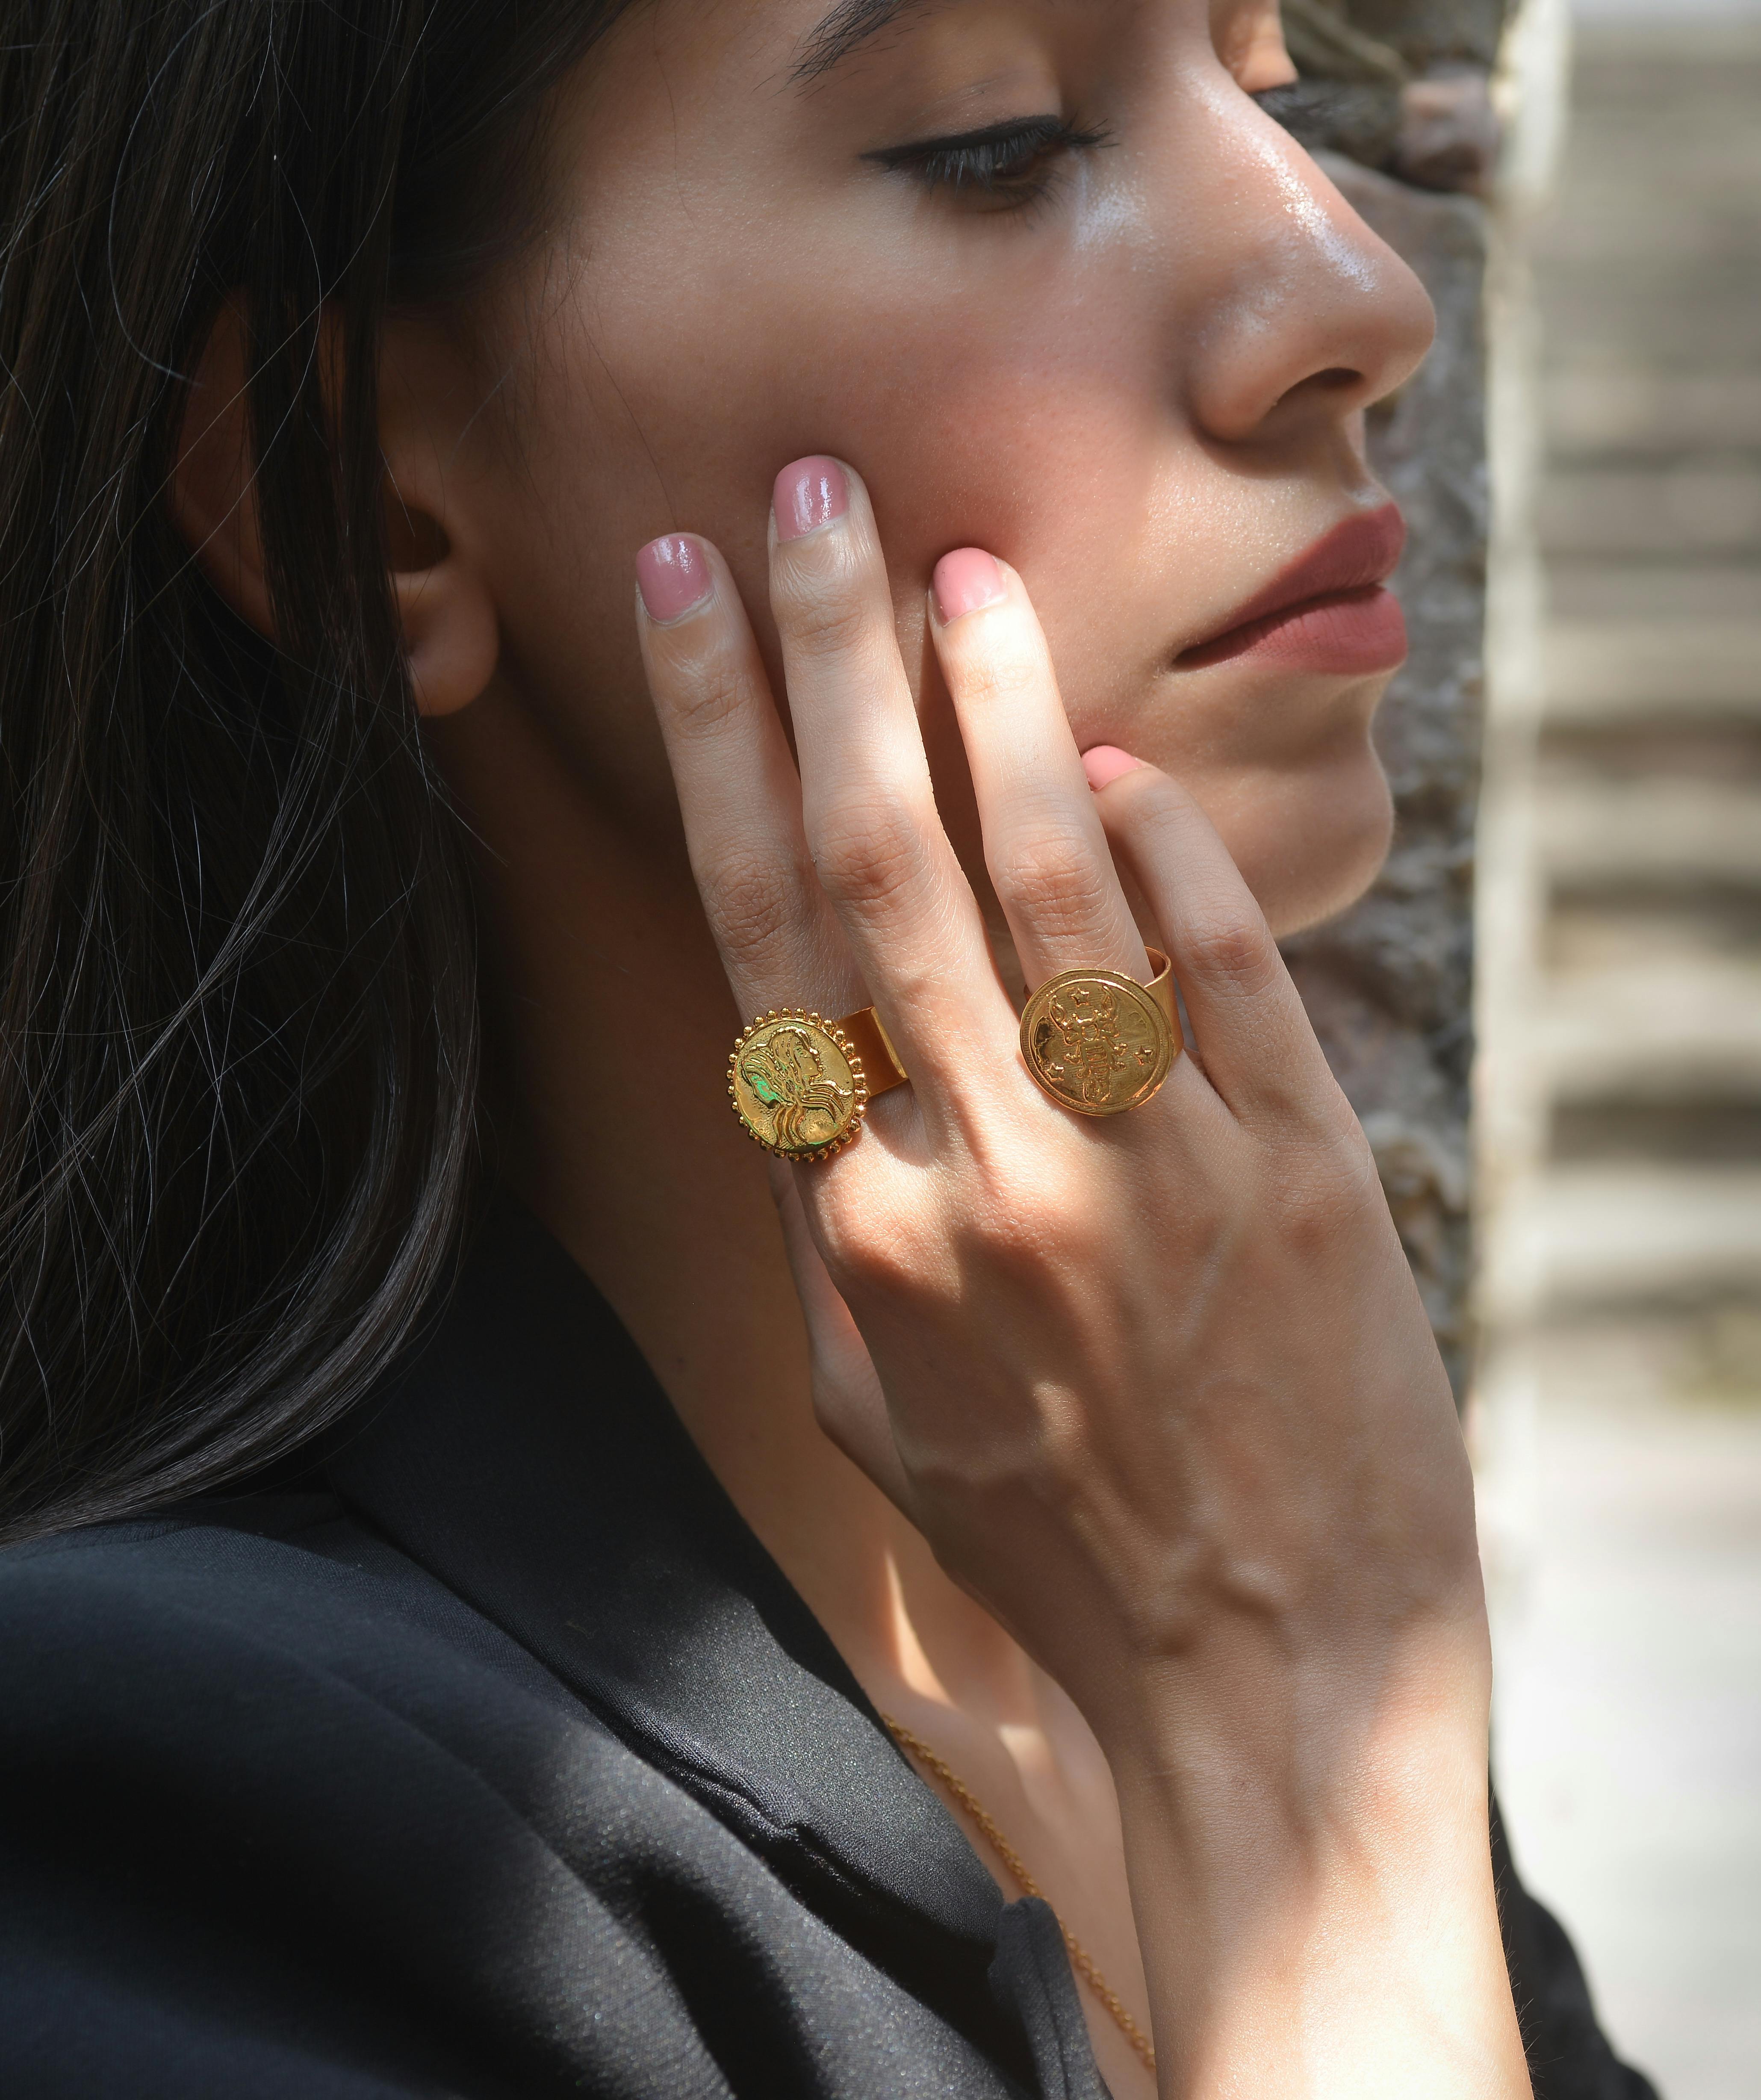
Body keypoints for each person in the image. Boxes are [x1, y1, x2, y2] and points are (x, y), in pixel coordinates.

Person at [0, 3, 1655, 2095]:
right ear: (363, 506)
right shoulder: (150, 1851)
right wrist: (1301, 1744)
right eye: (999, 142)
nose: (1357, 293)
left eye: (1268, 83)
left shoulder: (1160, 1598)